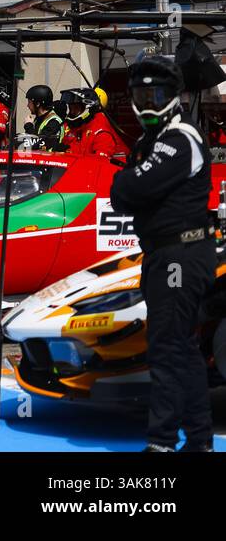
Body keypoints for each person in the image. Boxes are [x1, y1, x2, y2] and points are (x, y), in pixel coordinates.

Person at [110, 55, 215, 452]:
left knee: (168, 346)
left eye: (156, 94)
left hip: (181, 254)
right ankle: (200, 440)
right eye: (141, 94)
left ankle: (162, 442)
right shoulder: (148, 142)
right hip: (165, 254)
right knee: (181, 346)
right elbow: (124, 193)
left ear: (173, 96)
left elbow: (129, 190)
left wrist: (130, 182)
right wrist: (130, 183)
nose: (148, 103)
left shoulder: (181, 137)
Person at [59, 87, 126, 156]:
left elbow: (99, 164)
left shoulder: (101, 133)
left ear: (88, 108)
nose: (72, 112)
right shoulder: (78, 129)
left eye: (76, 108)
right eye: (70, 108)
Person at [23, 85, 64, 151]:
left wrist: (28, 126)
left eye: (29, 102)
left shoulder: (54, 122)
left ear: (37, 104)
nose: (27, 106)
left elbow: (39, 143)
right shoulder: (38, 119)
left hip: (50, 159)